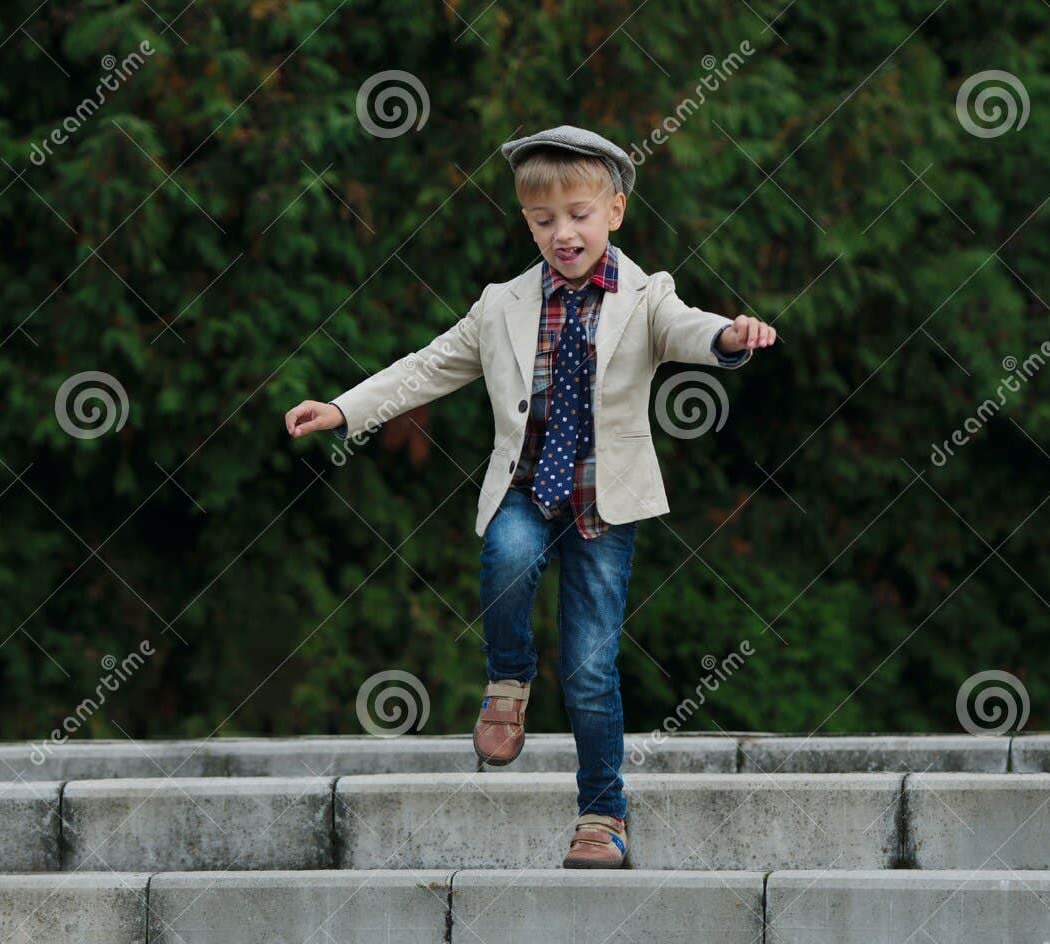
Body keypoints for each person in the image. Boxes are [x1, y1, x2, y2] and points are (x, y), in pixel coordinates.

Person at [287, 125, 776, 868]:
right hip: (526, 486)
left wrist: (730, 338)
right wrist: (346, 409)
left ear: (614, 211)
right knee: (508, 552)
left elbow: (687, 330)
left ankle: (601, 815)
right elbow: (425, 368)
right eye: (545, 221)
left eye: (578, 215)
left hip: (603, 505)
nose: (563, 233)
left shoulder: (647, 296)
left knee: (589, 668)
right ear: (527, 224)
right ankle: (508, 677)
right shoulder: (501, 305)